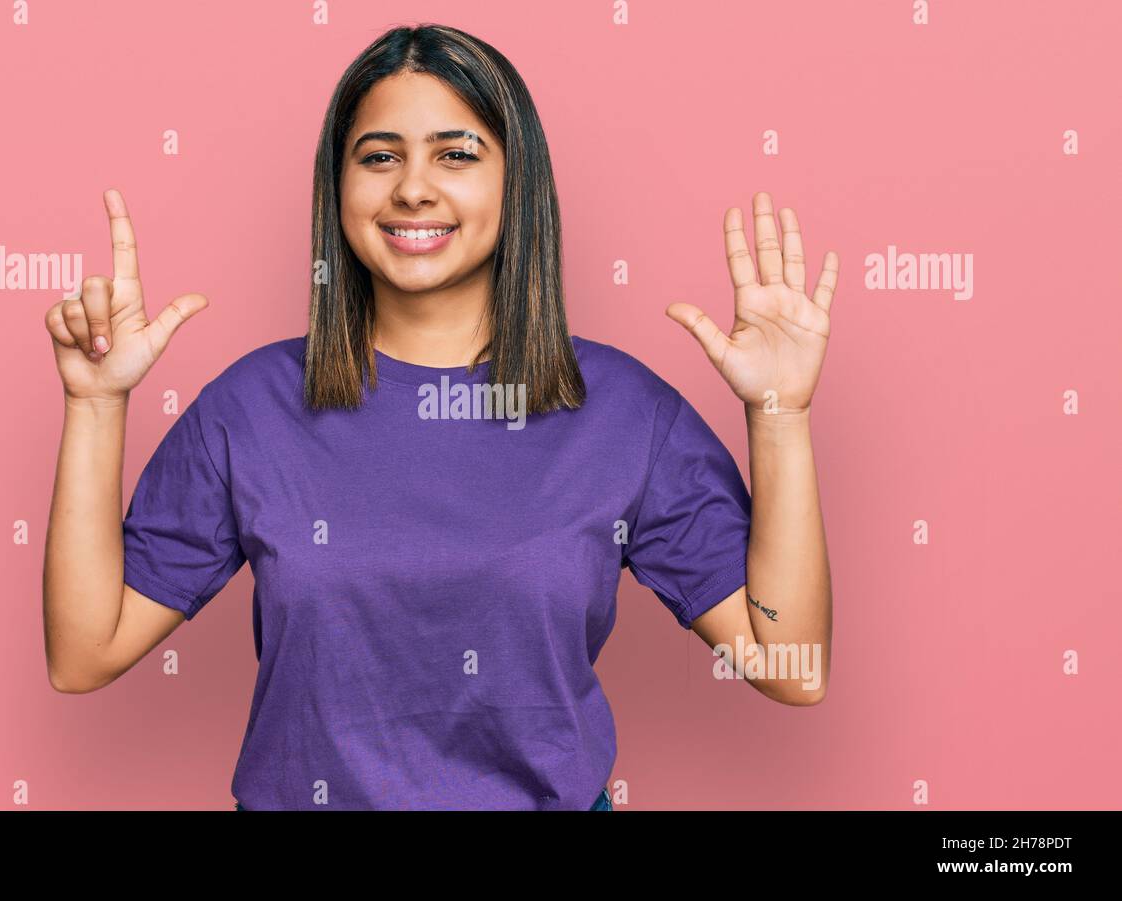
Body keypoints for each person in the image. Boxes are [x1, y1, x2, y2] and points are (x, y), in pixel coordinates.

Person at [41, 23, 836, 811]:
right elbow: (84, 653)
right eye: (380, 155)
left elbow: (791, 667)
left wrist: (781, 415)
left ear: (515, 182)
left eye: (456, 154)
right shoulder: (250, 409)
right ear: (338, 188)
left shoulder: (627, 413)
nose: (412, 186)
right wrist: (95, 403)